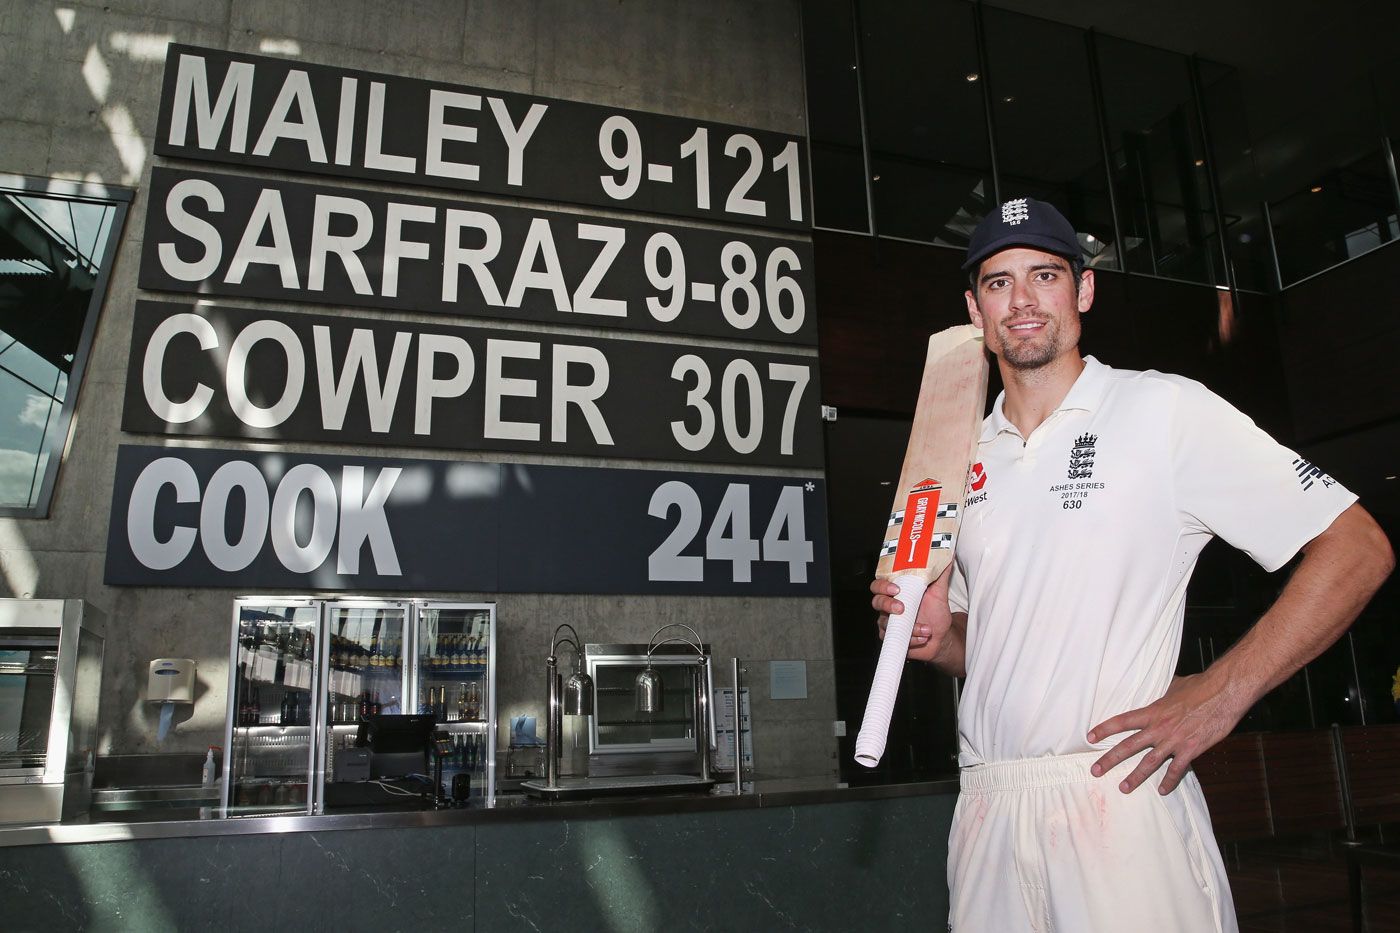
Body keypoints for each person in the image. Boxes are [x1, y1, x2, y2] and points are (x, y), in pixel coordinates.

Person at [870, 198, 1394, 932]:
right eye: (998, 282)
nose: (1021, 300)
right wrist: (936, 636)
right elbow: (984, 650)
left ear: (1083, 291)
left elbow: (1358, 545)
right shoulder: (962, 458)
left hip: (1117, 793)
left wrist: (1221, 691)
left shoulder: (1162, 410)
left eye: (1045, 274)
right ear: (974, 308)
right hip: (988, 806)